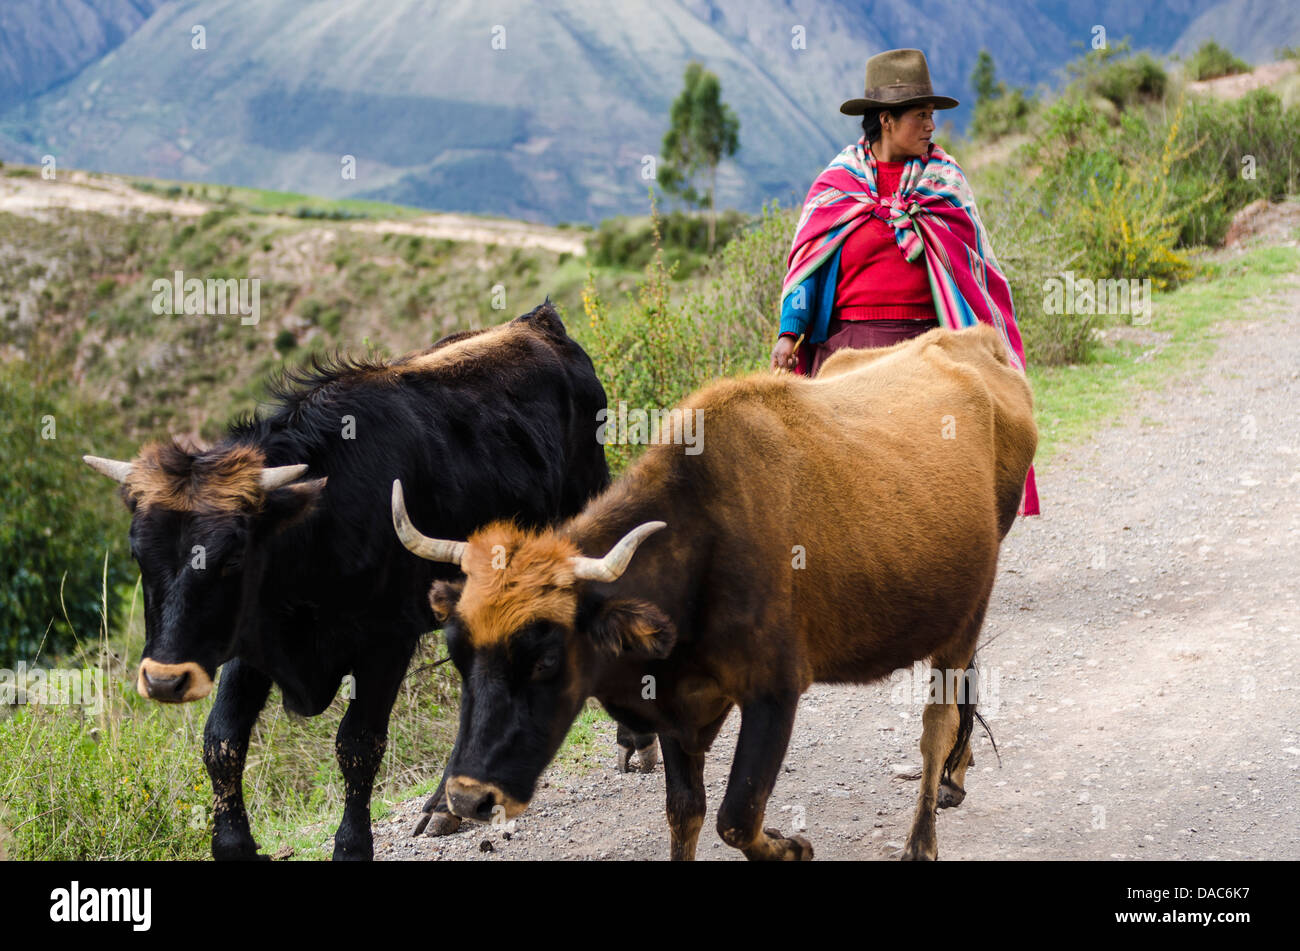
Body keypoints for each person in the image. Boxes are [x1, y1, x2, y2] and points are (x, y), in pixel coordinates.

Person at [771, 48, 1039, 515]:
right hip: (848, 356)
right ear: (886, 121)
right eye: (921, 115)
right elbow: (807, 266)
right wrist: (789, 331)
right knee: (850, 474)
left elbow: (976, 270)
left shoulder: (945, 181)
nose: (932, 126)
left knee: (930, 467)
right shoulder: (836, 185)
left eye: (932, 115)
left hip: (927, 352)